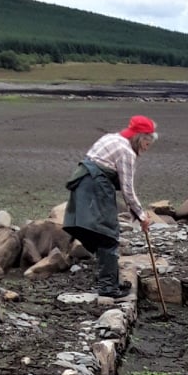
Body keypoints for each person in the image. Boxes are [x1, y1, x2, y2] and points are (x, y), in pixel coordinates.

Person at [64, 114, 157, 297]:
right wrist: (142, 216)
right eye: (147, 144)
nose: (146, 149)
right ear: (139, 139)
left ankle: (109, 280)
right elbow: (127, 189)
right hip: (96, 186)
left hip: (83, 182)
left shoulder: (110, 137)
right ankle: (108, 288)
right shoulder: (126, 153)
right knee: (108, 235)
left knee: (96, 233)